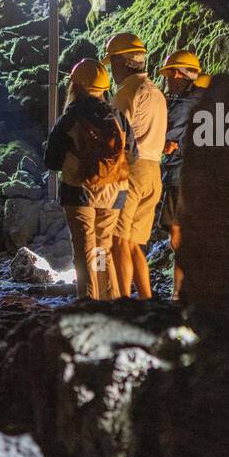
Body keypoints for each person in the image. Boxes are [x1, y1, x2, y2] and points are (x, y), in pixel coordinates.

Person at [44, 59, 136, 300]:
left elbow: (51, 161)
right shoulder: (117, 115)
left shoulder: (70, 117)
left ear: (76, 86)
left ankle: (87, 300)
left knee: (84, 248)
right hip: (116, 190)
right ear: (103, 87)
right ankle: (108, 299)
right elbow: (133, 154)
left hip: (79, 190)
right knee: (103, 247)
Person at [104, 32, 168, 300]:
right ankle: (146, 300)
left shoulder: (127, 92)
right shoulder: (157, 93)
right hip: (154, 173)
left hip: (130, 172)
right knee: (134, 244)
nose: (110, 69)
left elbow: (115, 138)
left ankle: (122, 301)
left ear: (121, 62)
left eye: (111, 63)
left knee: (118, 242)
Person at [156, 52, 207, 301]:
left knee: (178, 237)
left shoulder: (184, 105)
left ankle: (180, 294)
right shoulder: (206, 100)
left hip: (179, 176)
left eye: (168, 74)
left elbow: (165, 137)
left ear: (179, 73)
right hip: (202, 177)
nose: (167, 79)